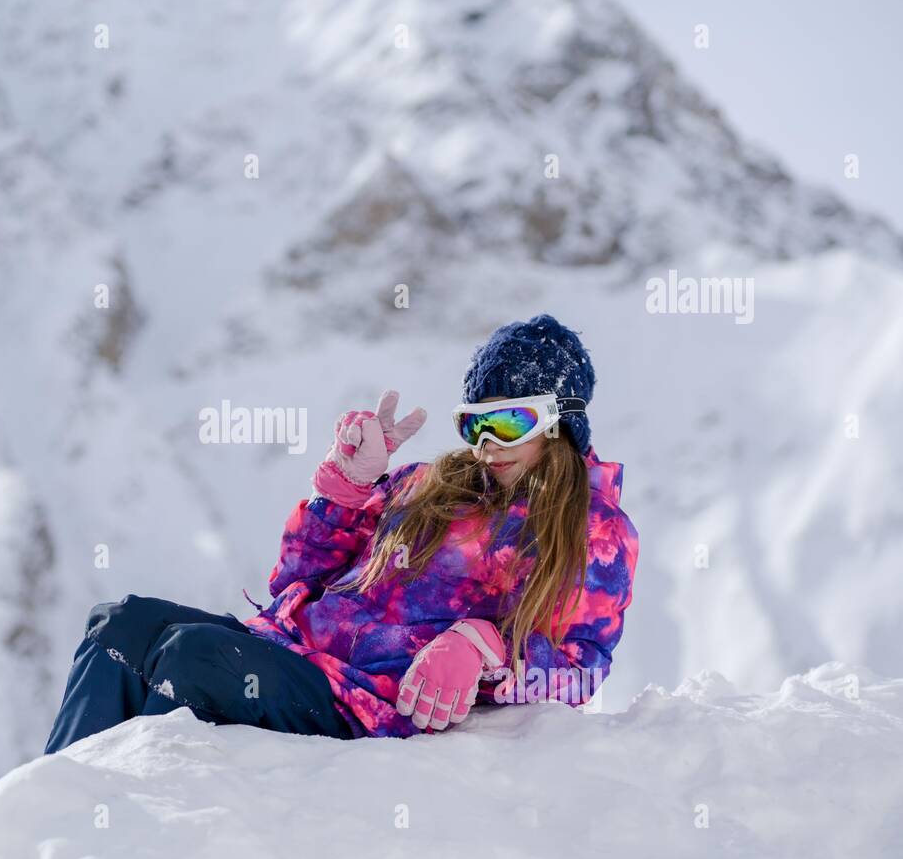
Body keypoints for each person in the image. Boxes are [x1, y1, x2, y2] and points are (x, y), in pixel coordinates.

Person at [43, 313, 639, 754]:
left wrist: (481, 647)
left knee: (190, 659)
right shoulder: (425, 485)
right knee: (114, 627)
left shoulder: (591, 530)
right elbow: (293, 585)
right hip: (289, 648)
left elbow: (580, 667)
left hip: (362, 697)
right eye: (475, 424)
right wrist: (346, 493)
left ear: (563, 421)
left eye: (511, 421)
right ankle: (58, 820)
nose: (487, 445)